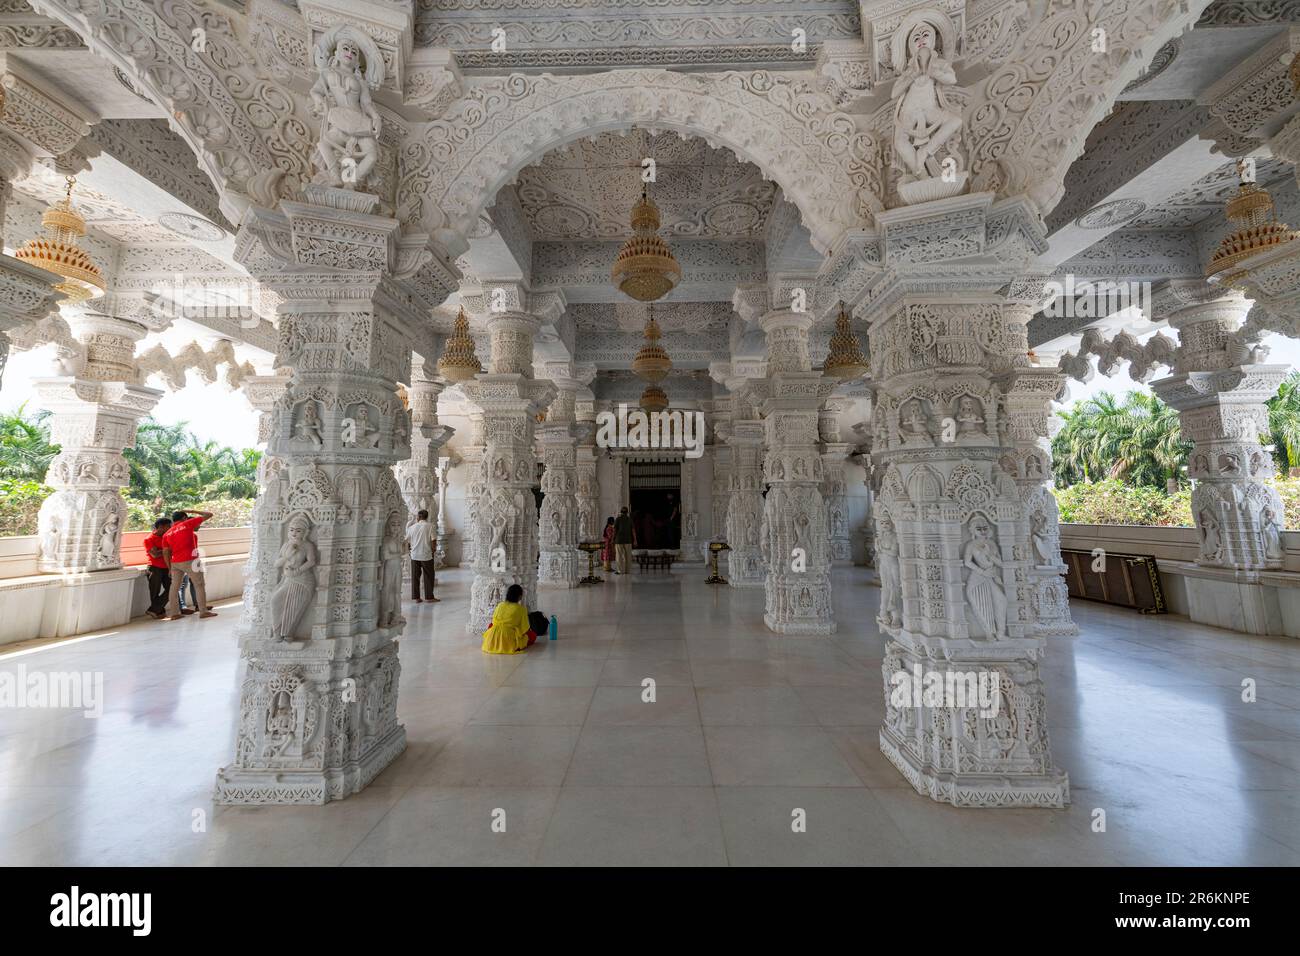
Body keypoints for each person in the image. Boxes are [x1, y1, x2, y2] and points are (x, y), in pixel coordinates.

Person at [163, 508, 216, 620]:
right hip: (191, 560)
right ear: (184, 518)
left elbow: (166, 552)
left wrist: (169, 567)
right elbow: (209, 514)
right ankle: (203, 611)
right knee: (199, 585)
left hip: (175, 563)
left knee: (174, 588)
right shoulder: (187, 524)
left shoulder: (167, 534)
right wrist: (192, 511)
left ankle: (174, 613)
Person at [481, 584, 537, 655]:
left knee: (491, 626)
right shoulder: (521, 609)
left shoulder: (500, 605)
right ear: (520, 596)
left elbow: (493, 622)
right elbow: (525, 629)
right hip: (509, 641)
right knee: (532, 636)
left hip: (491, 639)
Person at [406, 508, 438, 603]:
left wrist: (410, 550)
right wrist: (433, 551)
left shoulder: (412, 527)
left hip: (414, 555)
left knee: (415, 576)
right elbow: (433, 540)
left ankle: (416, 598)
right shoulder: (430, 526)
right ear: (426, 517)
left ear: (418, 517)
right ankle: (429, 597)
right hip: (426, 555)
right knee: (428, 575)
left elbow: (407, 541)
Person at [142, 517, 172, 619]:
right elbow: (154, 555)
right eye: (168, 526)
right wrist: (166, 550)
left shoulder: (167, 537)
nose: (170, 528)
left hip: (167, 566)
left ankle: (153, 610)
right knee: (154, 591)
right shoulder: (149, 539)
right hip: (154, 567)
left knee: (172, 588)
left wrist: (163, 551)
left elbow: (166, 551)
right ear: (161, 527)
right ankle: (158, 611)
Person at [613, 505, 636, 576]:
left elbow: (615, 530)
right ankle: (627, 570)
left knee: (619, 556)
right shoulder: (630, 519)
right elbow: (633, 530)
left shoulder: (618, 519)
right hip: (628, 540)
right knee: (628, 556)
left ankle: (620, 571)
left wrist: (613, 539)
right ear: (627, 512)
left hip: (619, 540)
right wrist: (635, 540)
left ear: (621, 512)